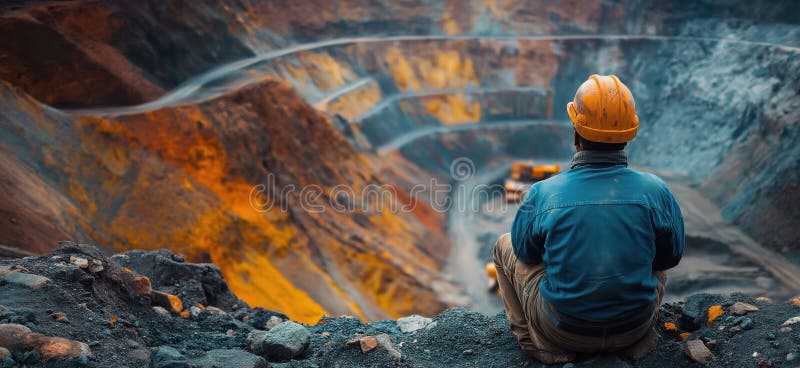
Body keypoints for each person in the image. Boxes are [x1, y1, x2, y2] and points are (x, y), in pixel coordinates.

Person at [493, 74, 684, 363]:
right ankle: (630, 341)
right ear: (628, 135)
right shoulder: (655, 191)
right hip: (633, 329)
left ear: (575, 134)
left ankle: (537, 346)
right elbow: (670, 258)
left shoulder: (544, 192)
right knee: (658, 245)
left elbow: (524, 252)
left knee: (502, 245)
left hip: (564, 332)